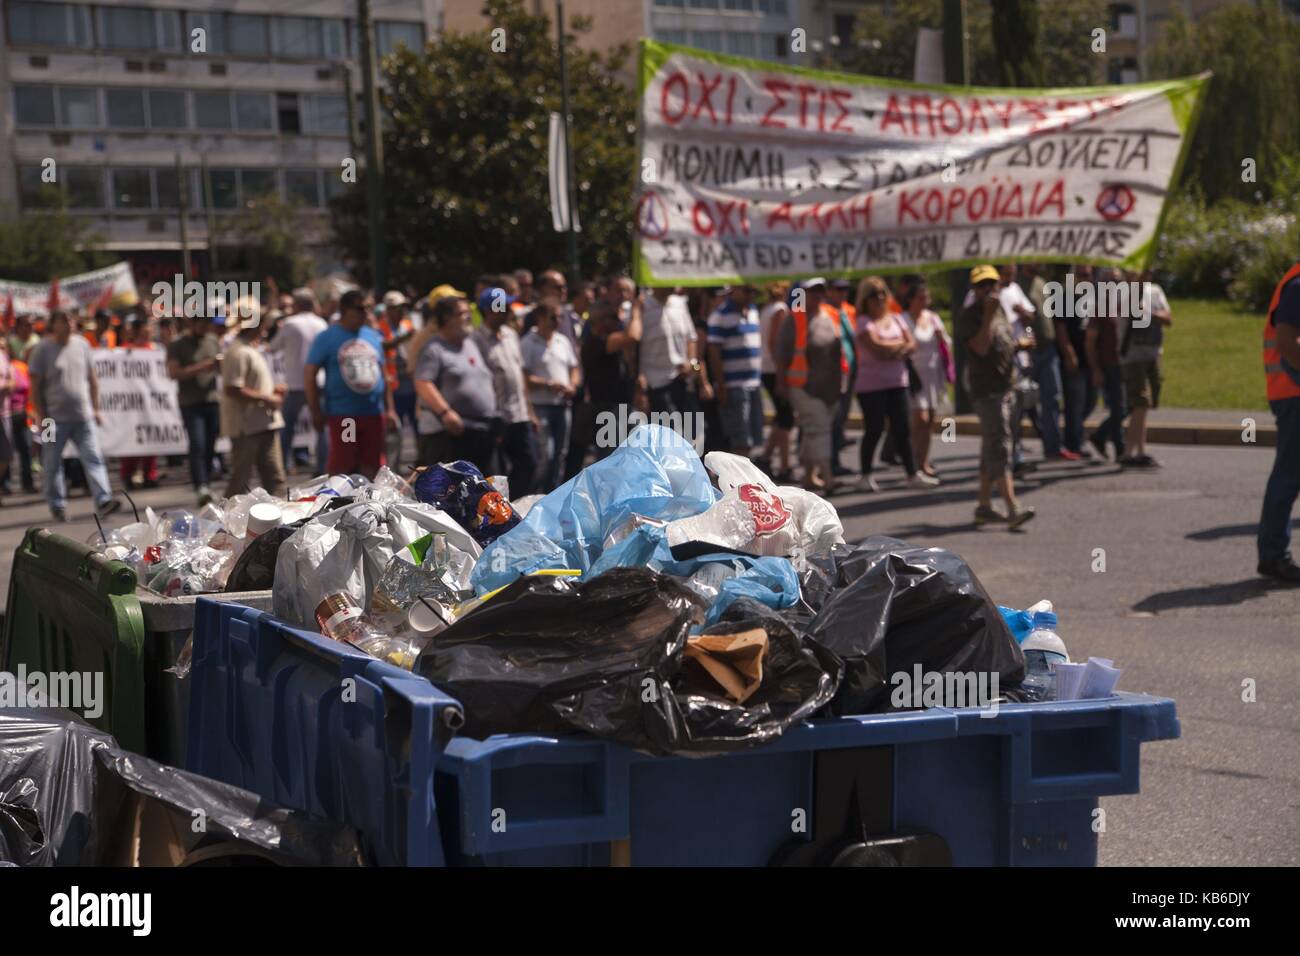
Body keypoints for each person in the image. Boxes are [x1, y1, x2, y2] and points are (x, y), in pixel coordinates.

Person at [959, 266, 1034, 529]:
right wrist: (988, 315)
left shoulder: (1001, 309)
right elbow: (980, 347)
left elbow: (1003, 342)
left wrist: (1019, 345)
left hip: (1006, 386)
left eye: (992, 284)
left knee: (990, 446)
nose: (988, 290)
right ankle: (1012, 506)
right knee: (1000, 445)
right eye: (982, 286)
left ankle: (984, 505)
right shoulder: (971, 316)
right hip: (987, 391)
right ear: (974, 290)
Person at [28, 310, 121, 522]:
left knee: (94, 458)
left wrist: (96, 409)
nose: (70, 325)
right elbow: (35, 387)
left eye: (71, 321)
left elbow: (93, 379)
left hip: (83, 417)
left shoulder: (82, 345)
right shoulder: (43, 349)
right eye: (64, 321)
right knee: (51, 463)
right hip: (52, 419)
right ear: (54, 325)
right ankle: (57, 504)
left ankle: (103, 500)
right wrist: (41, 415)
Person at [853, 276, 938, 492]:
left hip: (898, 381)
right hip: (871, 385)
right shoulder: (863, 322)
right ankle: (865, 474)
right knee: (875, 428)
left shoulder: (896, 319)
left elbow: (912, 344)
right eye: (873, 294)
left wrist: (894, 348)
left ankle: (912, 473)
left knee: (902, 428)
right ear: (865, 299)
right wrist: (898, 348)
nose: (879, 298)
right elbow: (877, 348)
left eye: (882, 293)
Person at [304, 290, 400, 480]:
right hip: (346, 417)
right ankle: (339, 504)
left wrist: (390, 409)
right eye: (359, 308)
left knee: (373, 464)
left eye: (368, 308)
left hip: (373, 413)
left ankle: (370, 505)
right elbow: (309, 374)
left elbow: (383, 373)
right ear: (343, 310)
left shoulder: (372, 336)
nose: (365, 312)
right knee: (344, 463)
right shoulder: (327, 337)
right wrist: (315, 411)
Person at [412, 295, 498, 473]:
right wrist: (445, 413)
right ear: (446, 319)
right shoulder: (434, 348)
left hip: (478, 432)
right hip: (448, 434)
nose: (468, 317)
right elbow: (423, 382)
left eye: (468, 312)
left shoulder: (470, 343)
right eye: (462, 313)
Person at [775, 278, 842, 492]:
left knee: (813, 431)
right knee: (819, 429)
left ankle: (808, 476)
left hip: (830, 387)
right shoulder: (793, 319)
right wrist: (781, 383)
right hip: (802, 386)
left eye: (820, 290)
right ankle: (828, 476)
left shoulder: (832, 315)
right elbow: (781, 355)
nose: (817, 295)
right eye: (812, 291)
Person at [1257, 260, 1300, 583]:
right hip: (1294, 393)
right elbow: (1287, 343)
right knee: (1288, 476)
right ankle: (1273, 556)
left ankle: (1274, 554)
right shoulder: (1297, 285)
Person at [473, 286, 538, 494]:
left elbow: (519, 375)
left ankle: (515, 505)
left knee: (530, 463)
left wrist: (530, 411)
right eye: (504, 306)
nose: (508, 310)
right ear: (489, 310)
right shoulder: (476, 340)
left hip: (519, 414)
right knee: (495, 473)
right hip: (496, 416)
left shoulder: (511, 335)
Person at [221, 301, 286, 496]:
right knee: (240, 482)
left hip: (264, 423)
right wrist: (266, 397)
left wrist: (270, 392)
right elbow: (232, 389)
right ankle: (225, 523)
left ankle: (282, 523)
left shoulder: (249, 349)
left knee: (274, 479)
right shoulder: (239, 352)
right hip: (247, 428)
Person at [521, 300, 580, 492]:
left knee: (560, 454)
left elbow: (574, 368)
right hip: (540, 406)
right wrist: (547, 384)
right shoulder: (528, 343)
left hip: (562, 406)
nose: (557, 321)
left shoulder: (562, 341)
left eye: (560, 317)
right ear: (539, 318)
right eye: (553, 317)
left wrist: (572, 384)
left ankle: (554, 492)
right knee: (546, 454)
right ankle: (536, 493)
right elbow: (523, 377)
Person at [898, 276, 953, 479]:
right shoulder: (902, 319)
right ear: (911, 299)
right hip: (913, 374)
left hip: (932, 373)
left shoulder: (933, 318)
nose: (925, 301)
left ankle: (923, 461)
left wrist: (941, 337)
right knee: (918, 419)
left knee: (929, 420)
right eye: (921, 297)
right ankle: (913, 461)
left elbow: (946, 342)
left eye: (926, 297)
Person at [166, 313, 223, 506]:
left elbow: (220, 367)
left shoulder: (213, 340)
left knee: (210, 443)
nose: (206, 328)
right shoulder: (177, 344)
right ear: (193, 323)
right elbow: (173, 373)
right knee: (197, 444)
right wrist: (199, 367)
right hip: (191, 403)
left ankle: (206, 482)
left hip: (212, 400)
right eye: (203, 323)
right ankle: (200, 485)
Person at [270, 289, 329, 474]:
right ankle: (322, 467)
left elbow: (273, 347)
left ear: (297, 304)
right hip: (318, 381)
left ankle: (282, 466)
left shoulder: (290, 323)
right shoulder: (321, 323)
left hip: (296, 383)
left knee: (286, 427)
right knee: (322, 427)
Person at [1120, 269, 1171, 468]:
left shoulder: (1156, 291)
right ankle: (1130, 452)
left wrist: (1149, 313)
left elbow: (1168, 318)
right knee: (1140, 402)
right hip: (1133, 356)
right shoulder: (1123, 291)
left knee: (1144, 407)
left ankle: (1138, 450)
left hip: (1153, 354)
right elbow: (1132, 311)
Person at [707, 283, 764, 458]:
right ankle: (737, 482)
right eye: (747, 290)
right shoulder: (720, 315)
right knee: (740, 439)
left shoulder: (753, 311)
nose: (750, 295)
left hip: (753, 383)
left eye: (753, 291)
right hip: (734, 386)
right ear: (734, 290)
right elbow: (714, 353)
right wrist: (721, 385)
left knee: (752, 438)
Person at [638, 286, 707, 417]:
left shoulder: (680, 304)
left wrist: (690, 361)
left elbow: (691, 337)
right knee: (670, 431)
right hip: (655, 384)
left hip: (681, 380)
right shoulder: (642, 306)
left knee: (690, 431)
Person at [1085, 268, 1127, 462]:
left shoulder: (1126, 305)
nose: (1116, 285)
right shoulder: (1100, 308)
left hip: (1126, 363)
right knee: (1120, 408)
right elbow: (1090, 342)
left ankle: (1106, 439)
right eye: (1112, 282)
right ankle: (1115, 445)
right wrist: (1096, 370)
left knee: (1127, 406)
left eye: (1119, 281)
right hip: (1109, 365)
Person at [1060, 263, 1098, 457]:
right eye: (1083, 275)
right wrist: (1069, 354)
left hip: (1091, 359)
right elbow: (1061, 329)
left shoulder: (1092, 298)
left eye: (1089, 275)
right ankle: (1074, 443)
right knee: (1075, 402)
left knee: (1091, 401)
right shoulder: (1064, 297)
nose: (1087, 279)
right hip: (1074, 358)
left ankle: (1072, 434)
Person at [118, 316, 160, 490]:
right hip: (131, 403)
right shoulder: (124, 351)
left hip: (151, 402)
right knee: (131, 439)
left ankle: (150, 474)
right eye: (145, 330)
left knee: (151, 437)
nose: (149, 333)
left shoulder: (155, 350)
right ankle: (128, 473)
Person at [758, 281, 794, 481]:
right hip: (775, 370)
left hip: (767, 368)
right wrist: (781, 371)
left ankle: (766, 456)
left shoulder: (767, 309)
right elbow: (775, 342)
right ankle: (785, 465)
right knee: (787, 418)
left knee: (781, 416)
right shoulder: (780, 310)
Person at [828, 279, 858, 476]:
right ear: (829, 291)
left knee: (841, 417)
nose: (843, 293)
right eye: (839, 289)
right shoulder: (825, 311)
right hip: (833, 373)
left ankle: (834, 458)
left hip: (851, 371)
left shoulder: (849, 310)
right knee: (833, 419)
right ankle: (831, 462)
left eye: (846, 289)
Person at [379, 290, 418, 438]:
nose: (402, 311)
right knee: (393, 431)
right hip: (393, 387)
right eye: (398, 307)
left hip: (411, 384)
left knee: (417, 427)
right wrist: (402, 338)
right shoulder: (380, 327)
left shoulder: (408, 324)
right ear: (388, 309)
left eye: (403, 307)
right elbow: (382, 346)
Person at [5, 339, 35, 494]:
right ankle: (6, 484)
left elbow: (30, 390)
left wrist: (32, 410)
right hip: (6, 415)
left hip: (26, 415)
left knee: (27, 448)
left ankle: (28, 482)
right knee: (6, 451)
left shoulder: (21, 367)